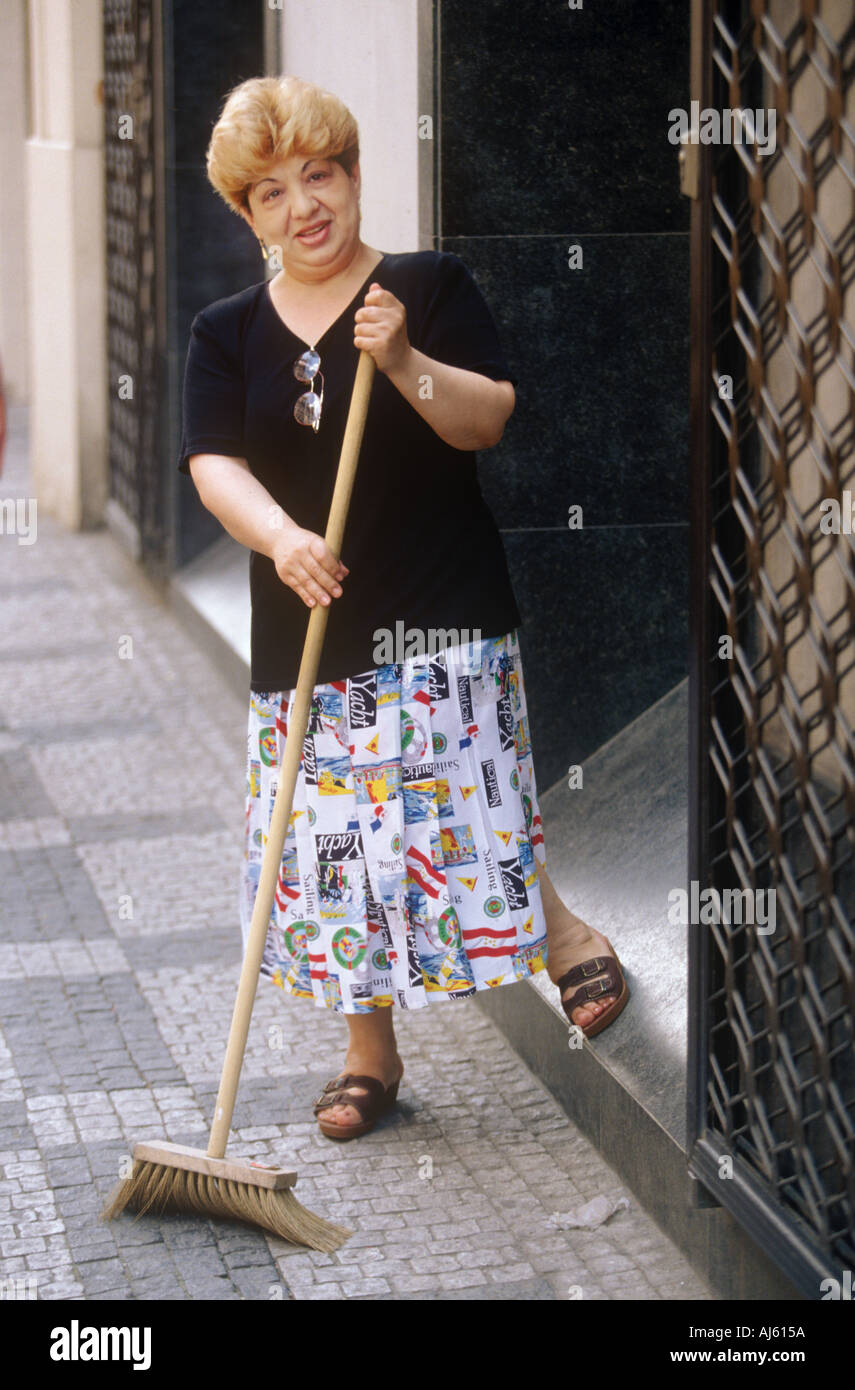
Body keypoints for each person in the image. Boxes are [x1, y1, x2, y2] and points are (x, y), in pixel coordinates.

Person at [178, 74, 628, 1140]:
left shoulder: (425, 288)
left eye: (320, 175)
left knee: (474, 812)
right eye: (273, 194)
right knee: (337, 844)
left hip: (442, 607)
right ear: (248, 219)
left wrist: (404, 361)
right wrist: (283, 536)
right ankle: (368, 1052)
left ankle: (561, 940)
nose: (305, 207)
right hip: (310, 620)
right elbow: (213, 463)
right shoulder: (226, 330)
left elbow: (487, 421)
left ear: (355, 173)